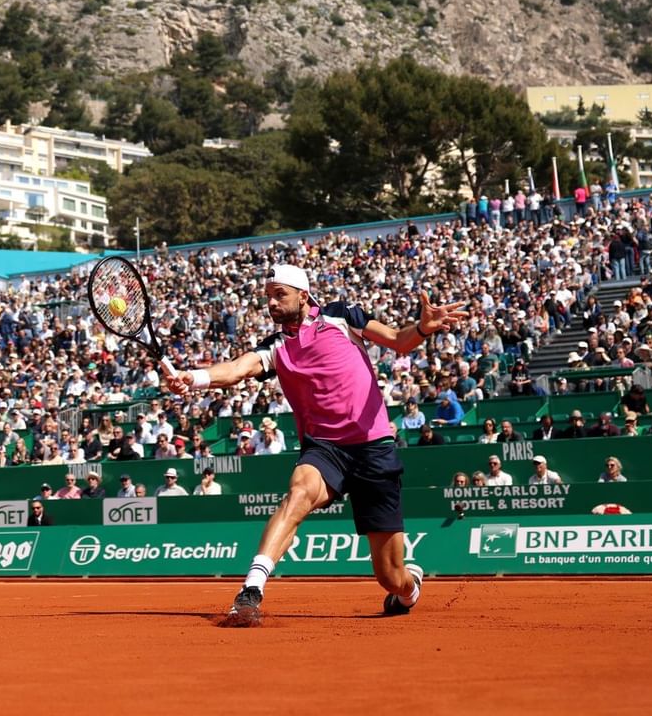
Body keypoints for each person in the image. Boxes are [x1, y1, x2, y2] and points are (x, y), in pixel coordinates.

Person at [165, 262, 466, 625]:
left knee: (390, 576)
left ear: (303, 296)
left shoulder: (341, 316)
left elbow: (398, 341)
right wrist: (194, 378)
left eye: (280, 295)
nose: (272, 303)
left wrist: (421, 328)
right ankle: (251, 589)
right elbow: (237, 369)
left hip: (374, 447)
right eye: (268, 297)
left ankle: (409, 587)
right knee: (298, 493)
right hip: (325, 448)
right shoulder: (276, 346)